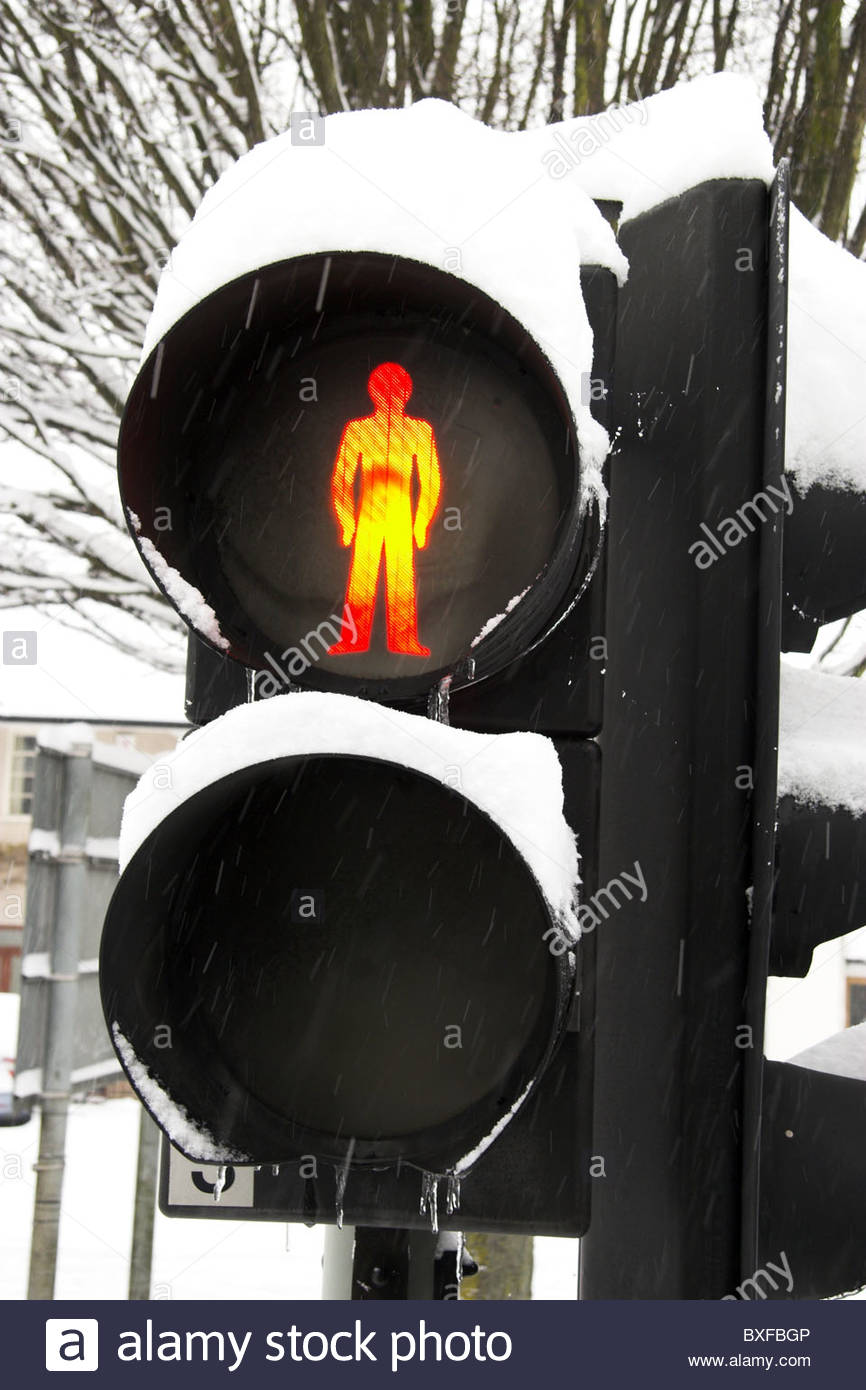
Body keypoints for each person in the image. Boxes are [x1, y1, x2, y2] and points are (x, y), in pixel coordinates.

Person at [328, 361, 442, 656]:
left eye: (396, 390)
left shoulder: (420, 431)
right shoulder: (358, 430)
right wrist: (347, 522)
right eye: (384, 390)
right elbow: (343, 478)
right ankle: (353, 639)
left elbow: (430, 482)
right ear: (373, 392)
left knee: (402, 578)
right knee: (361, 581)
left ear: (406, 393)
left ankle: (403, 640)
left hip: (400, 518)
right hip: (368, 516)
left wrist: (421, 523)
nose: (391, 397)